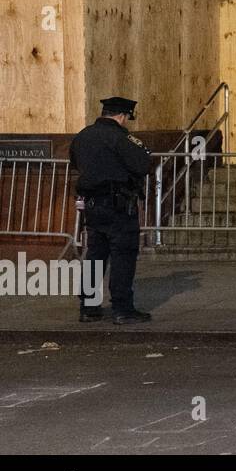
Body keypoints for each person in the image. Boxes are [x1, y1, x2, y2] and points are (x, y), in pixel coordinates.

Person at [70, 96, 153, 324]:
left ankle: (88, 307)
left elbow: (76, 163)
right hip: (118, 206)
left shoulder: (83, 136)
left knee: (95, 255)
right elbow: (142, 165)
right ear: (122, 116)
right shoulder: (121, 137)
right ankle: (123, 308)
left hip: (93, 205)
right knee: (123, 256)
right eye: (126, 118)